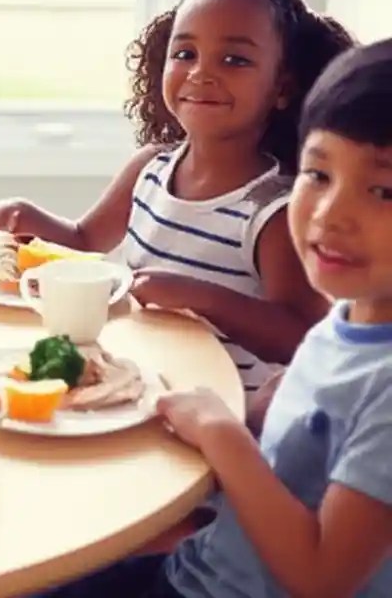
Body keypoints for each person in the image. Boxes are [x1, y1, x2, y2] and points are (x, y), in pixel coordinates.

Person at [36, 37, 392, 598]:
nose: (331, 213)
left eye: (383, 190)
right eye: (319, 174)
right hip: (195, 572)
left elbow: (321, 577)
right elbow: (293, 444)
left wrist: (222, 432)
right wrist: (233, 414)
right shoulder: (350, 319)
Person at [0, 0, 353, 396]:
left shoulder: (272, 209)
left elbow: (302, 336)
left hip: (227, 419)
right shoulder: (150, 168)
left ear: (282, 88)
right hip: (142, 391)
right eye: (185, 54)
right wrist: (26, 218)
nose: (200, 74)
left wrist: (202, 296)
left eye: (235, 59)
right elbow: (83, 241)